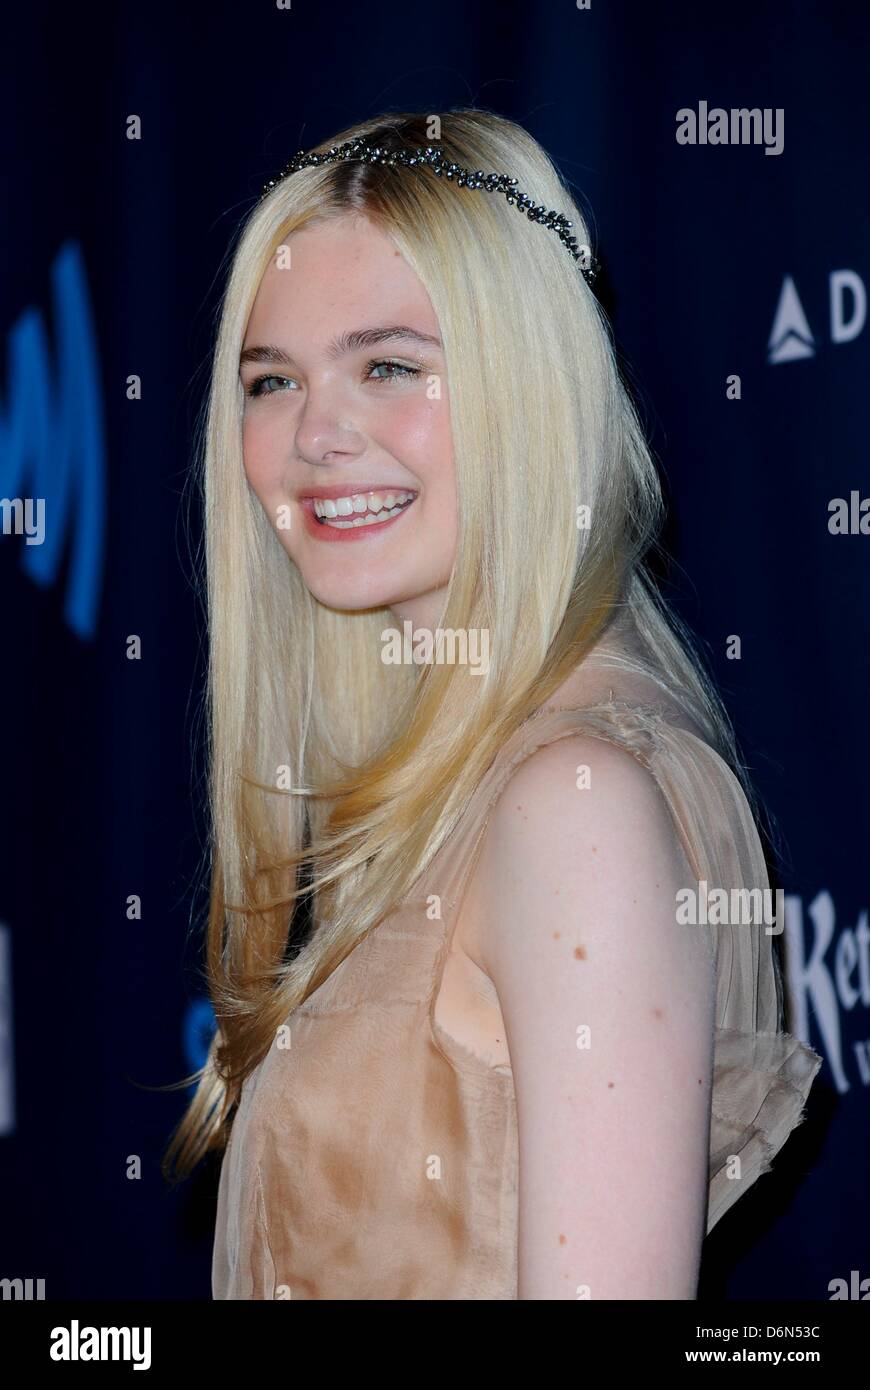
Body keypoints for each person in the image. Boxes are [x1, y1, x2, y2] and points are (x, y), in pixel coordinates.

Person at [163, 108, 821, 1299]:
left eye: (389, 366)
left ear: (532, 384)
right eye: (271, 380)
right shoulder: (492, 776)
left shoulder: (574, 804)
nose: (314, 434)